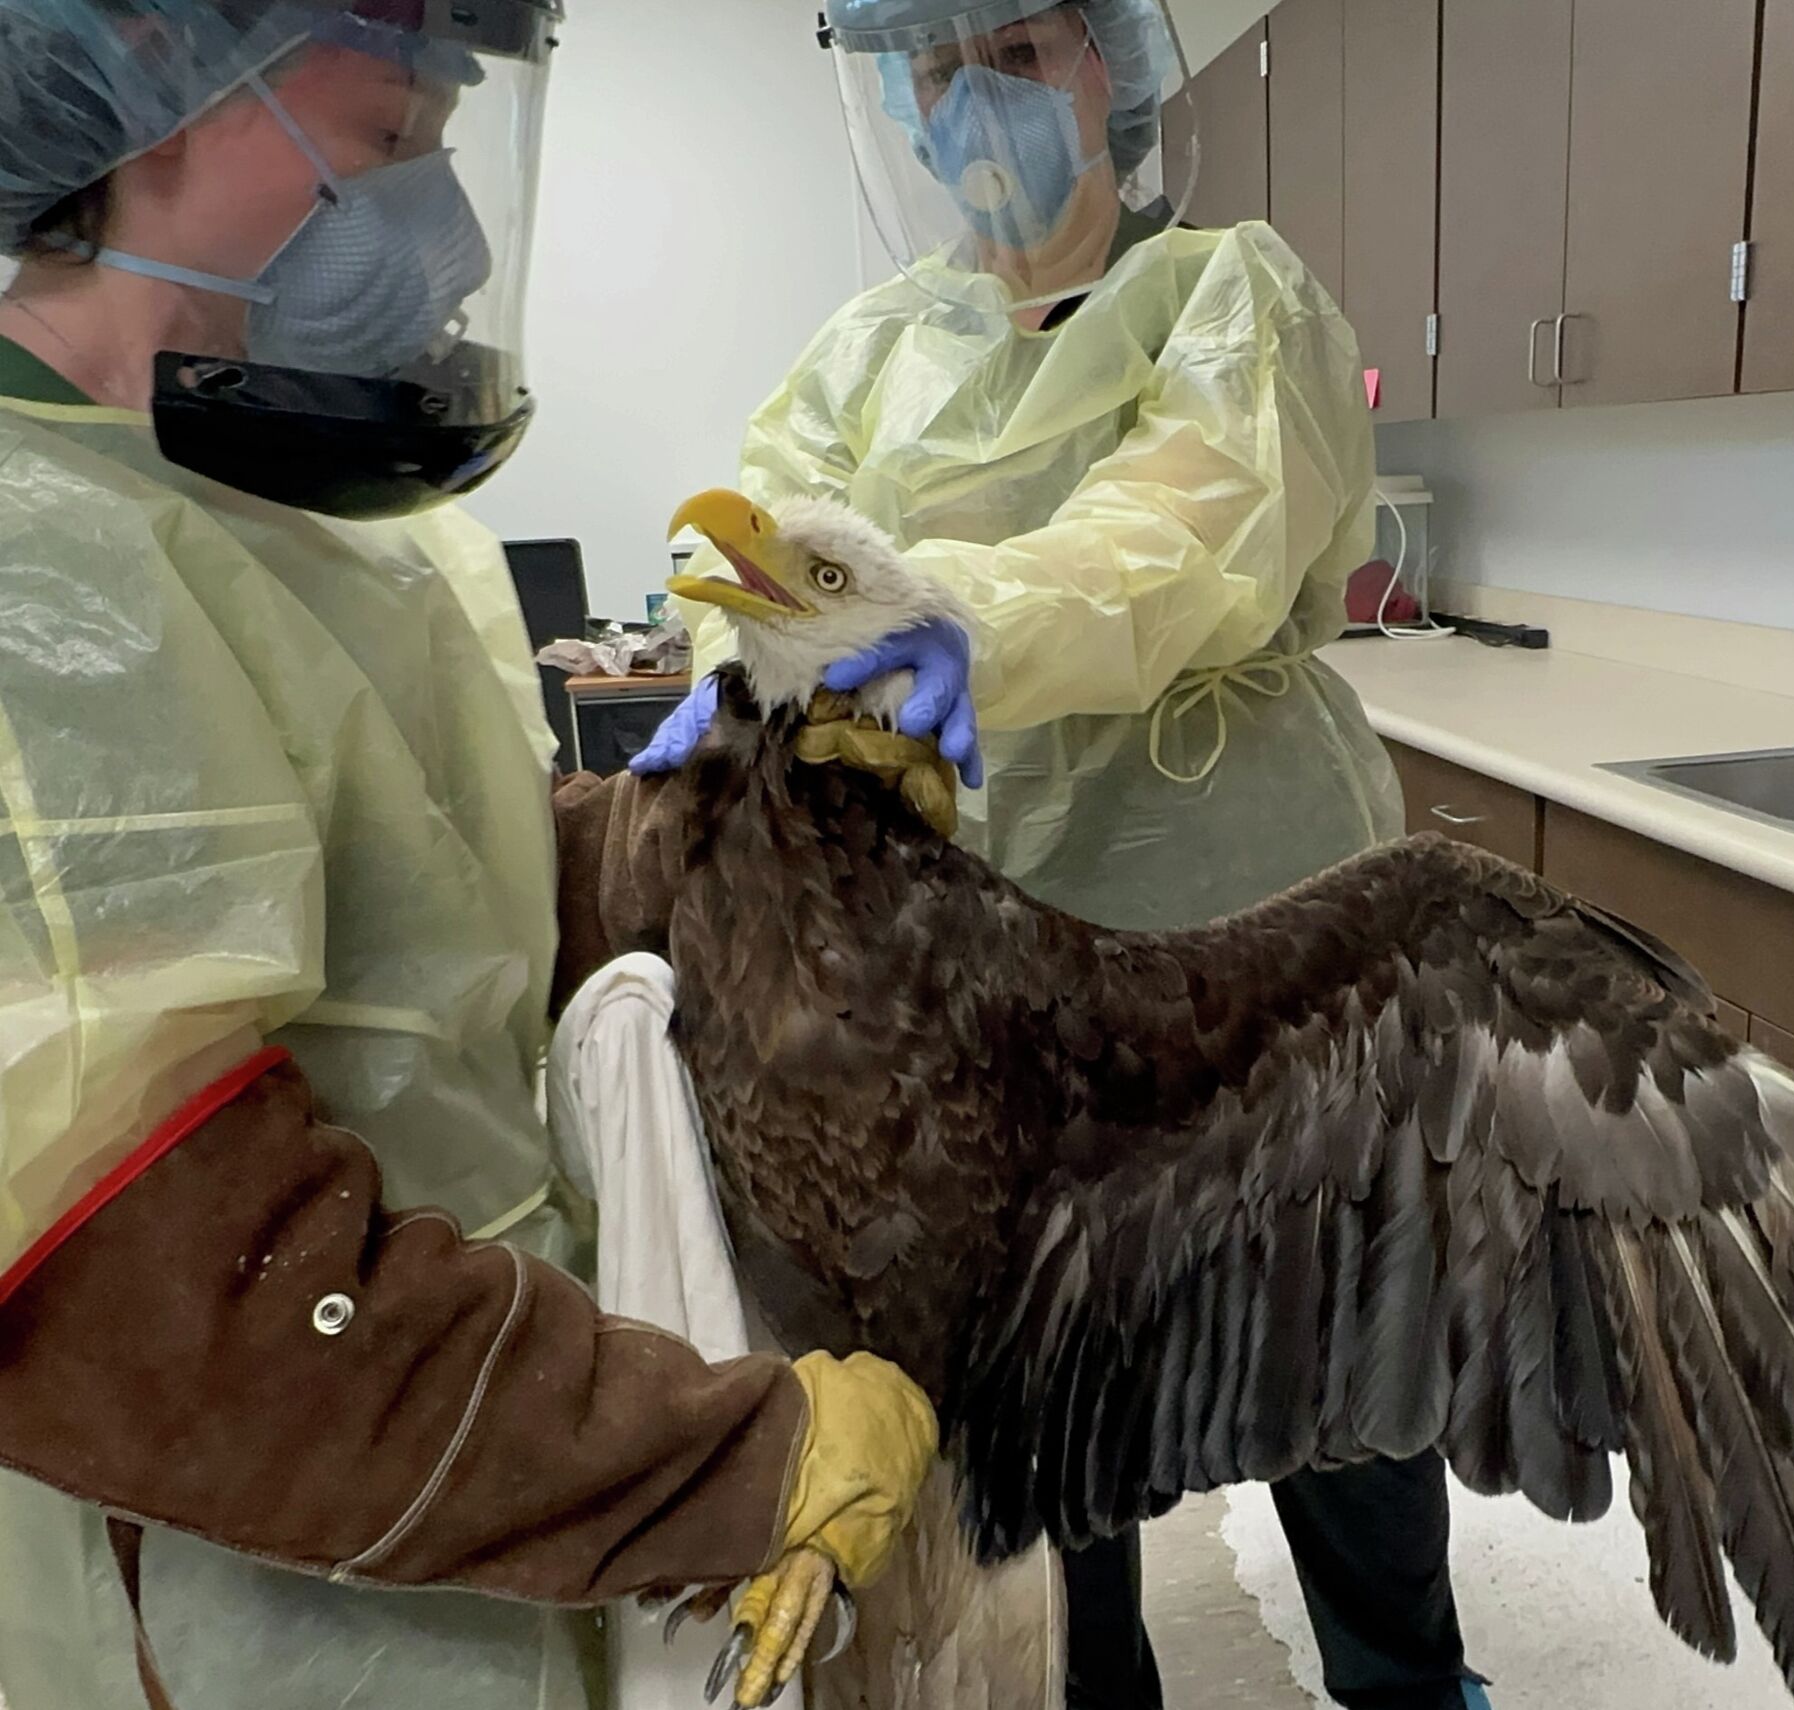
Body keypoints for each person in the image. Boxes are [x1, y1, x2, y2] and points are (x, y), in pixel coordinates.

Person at [0, 7, 943, 1709]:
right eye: (388, 139)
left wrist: (733, 825)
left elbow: (443, 888)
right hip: (247, 1613)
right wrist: (721, 1461)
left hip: (493, 1499)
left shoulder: (313, 509)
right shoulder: (32, 583)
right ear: (143, 91)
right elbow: (180, 1286)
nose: (457, 228)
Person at [643, 3, 1492, 1707]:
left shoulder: (1234, 296)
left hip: (1256, 923)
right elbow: (736, 550)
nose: (974, 104)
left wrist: (943, 615)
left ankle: (1404, 1678)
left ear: (1121, 59)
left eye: (1018, 52)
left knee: (1334, 1327)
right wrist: (747, 664)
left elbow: (1178, 538)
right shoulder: (865, 353)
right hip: (998, 962)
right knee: (1042, 1362)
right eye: (935, 67)